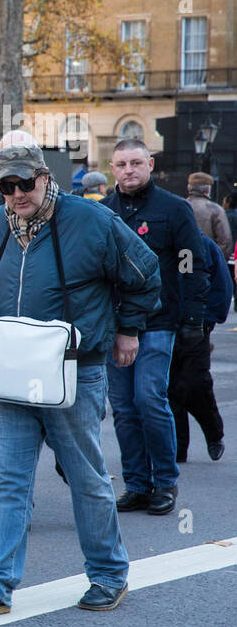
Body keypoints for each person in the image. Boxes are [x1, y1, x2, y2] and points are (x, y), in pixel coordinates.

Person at [0, 135, 160, 618]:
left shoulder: (91, 220)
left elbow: (145, 274)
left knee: (86, 476)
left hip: (74, 368)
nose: (17, 193)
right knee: (7, 478)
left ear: (46, 177)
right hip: (11, 370)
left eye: (26, 182)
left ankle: (109, 574)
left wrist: (128, 329)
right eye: (7, 185)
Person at [102, 139, 209, 517]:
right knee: (124, 408)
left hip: (159, 321)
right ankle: (136, 484)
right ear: (112, 168)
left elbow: (190, 264)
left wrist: (194, 318)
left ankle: (165, 481)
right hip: (115, 324)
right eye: (121, 164)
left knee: (149, 399)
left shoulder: (173, 209)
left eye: (135, 162)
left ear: (149, 164)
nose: (128, 170)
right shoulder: (104, 212)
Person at [169, 235, 231, 463]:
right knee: (171, 388)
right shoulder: (164, 241)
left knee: (195, 383)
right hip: (165, 324)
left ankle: (214, 433)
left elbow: (221, 284)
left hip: (197, 325)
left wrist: (210, 317)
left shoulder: (203, 245)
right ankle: (178, 448)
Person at [185, 172, 233, 255]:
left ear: (189, 188)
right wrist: (215, 262)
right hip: (206, 263)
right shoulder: (215, 210)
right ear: (208, 190)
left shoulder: (178, 207)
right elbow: (225, 242)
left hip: (181, 264)